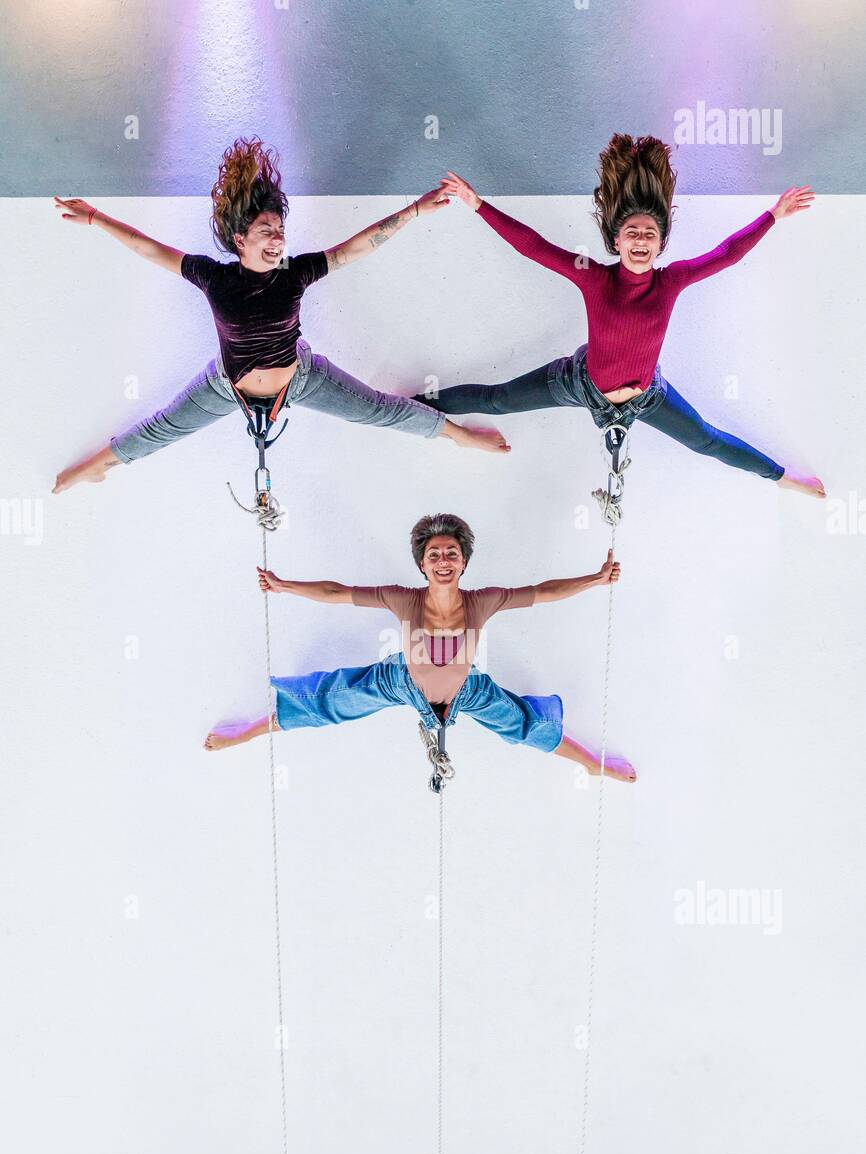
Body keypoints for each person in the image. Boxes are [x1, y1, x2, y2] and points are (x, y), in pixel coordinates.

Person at [53, 136, 508, 494]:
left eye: (280, 231)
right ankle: (97, 468)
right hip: (226, 386)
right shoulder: (214, 277)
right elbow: (148, 248)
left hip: (301, 378)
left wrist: (413, 210)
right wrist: (96, 217)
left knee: (378, 410)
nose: (277, 240)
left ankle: (459, 436)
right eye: (266, 231)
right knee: (163, 430)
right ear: (239, 240)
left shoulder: (294, 273)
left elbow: (353, 249)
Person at [415, 134, 823, 497]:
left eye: (649, 234)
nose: (640, 240)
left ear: (661, 243)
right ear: (616, 240)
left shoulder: (672, 281)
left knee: (706, 441)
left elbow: (726, 254)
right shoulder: (594, 278)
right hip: (579, 384)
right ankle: (405, 407)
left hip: (647, 397)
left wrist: (773, 215)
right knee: (497, 399)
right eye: (633, 233)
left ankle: (782, 477)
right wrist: (477, 205)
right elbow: (534, 247)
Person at [204, 512, 637, 782]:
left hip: (465, 691)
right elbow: (337, 592)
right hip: (401, 682)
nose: (443, 561)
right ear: (422, 565)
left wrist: (594, 579)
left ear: (463, 562)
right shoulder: (403, 598)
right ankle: (251, 729)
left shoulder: (482, 602)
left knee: (522, 725)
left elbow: (543, 592)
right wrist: (284, 586)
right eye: (435, 555)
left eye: (451, 554)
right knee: (329, 701)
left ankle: (589, 763)